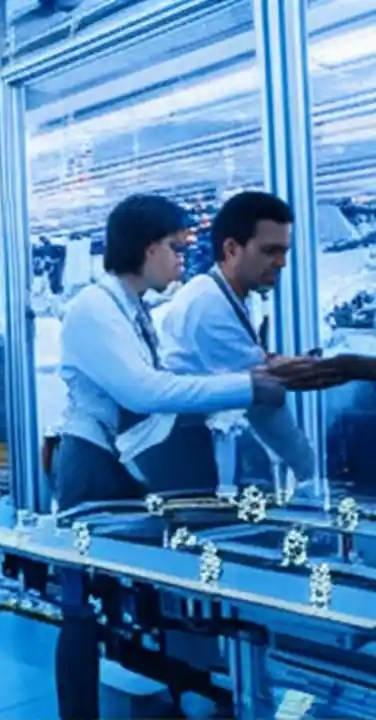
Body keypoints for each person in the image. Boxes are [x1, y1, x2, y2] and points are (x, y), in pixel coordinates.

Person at [51, 194, 291, 720]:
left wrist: (249, 379)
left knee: (124, 597)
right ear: (147, 248)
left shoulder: (132, 307)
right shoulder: (94, 308)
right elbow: (145, 391)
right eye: (176, 249)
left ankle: (170, 695)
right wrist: (247, 386)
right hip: (90, 468)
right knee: (81, 606)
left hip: (118, 463)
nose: (182, 261)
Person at [158, 191, 315, 495]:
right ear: (231, 249)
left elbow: (249, 365)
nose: (281, 263)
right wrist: (309, 469)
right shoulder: (209, 306)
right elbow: (264, 398)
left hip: (189, 442)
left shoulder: (222, 293)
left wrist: (275, 363)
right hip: (180, 452)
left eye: (284, 251)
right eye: (269, 251)